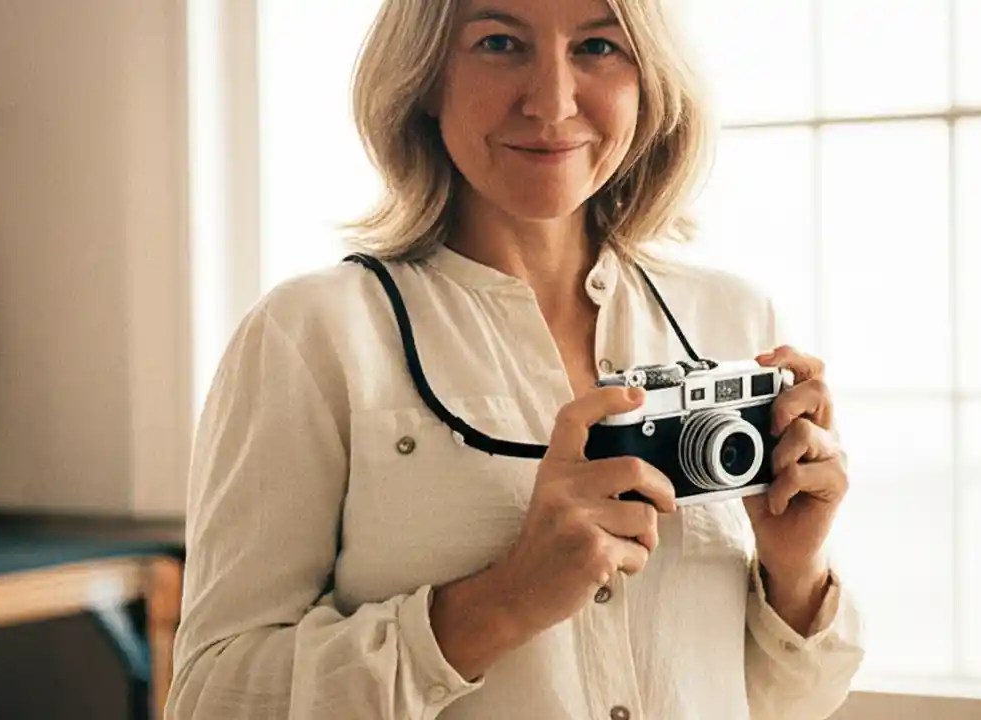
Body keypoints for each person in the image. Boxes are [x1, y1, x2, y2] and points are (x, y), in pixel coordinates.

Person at [167, 0, 864, 717]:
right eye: (499, 42)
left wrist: (796, 570)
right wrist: (503, 603)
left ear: (648, 81)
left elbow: (784, 703)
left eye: (598, 47)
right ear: (428, 77)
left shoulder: (733, 321)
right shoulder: (312, 336)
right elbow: (212, 699)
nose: (552, 101)